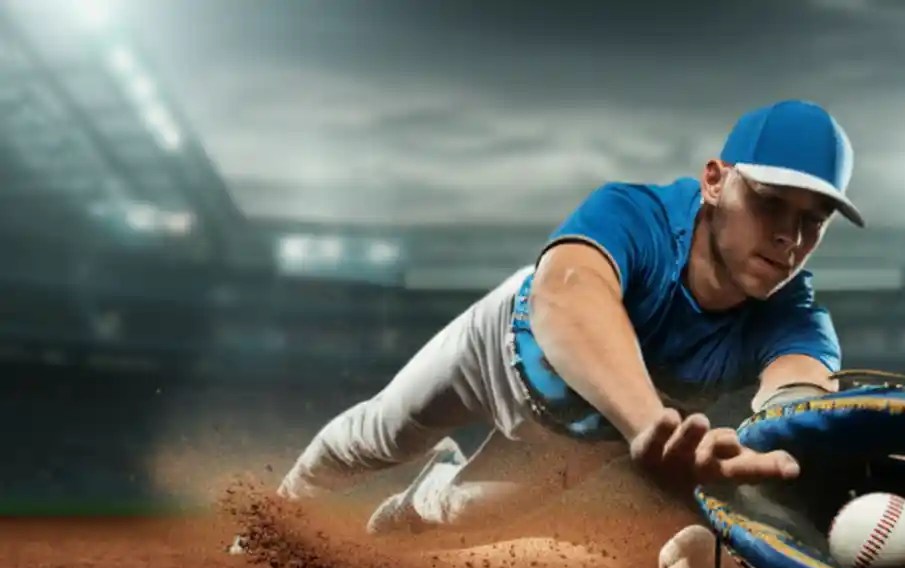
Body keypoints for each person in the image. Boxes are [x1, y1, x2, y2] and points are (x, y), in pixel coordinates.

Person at [273, 99, 866, 535]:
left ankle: (430, 487)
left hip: (576, 441)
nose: (790, 235)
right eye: (769, 202)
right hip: (498, 346)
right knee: (380, 433)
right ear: (715, 181)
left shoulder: (797, 316)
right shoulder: (639, 215)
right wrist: (648, 427)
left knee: (445, 517)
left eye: (814, 219)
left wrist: (807, 439)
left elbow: (798, 391)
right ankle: (271, 523)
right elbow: (565, 297)